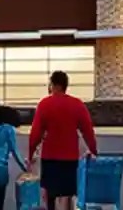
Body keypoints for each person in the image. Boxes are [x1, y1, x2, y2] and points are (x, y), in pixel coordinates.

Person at [28, 71, 97, 210]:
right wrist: (93, 150)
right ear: (66, 86)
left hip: (50, 157)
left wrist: (30, 154)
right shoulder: (77, 104)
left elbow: (35, 133)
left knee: (50, 191)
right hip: (70, 157)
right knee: (69, 192)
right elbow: (88, 131)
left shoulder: (44, 104)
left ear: (52, 85)